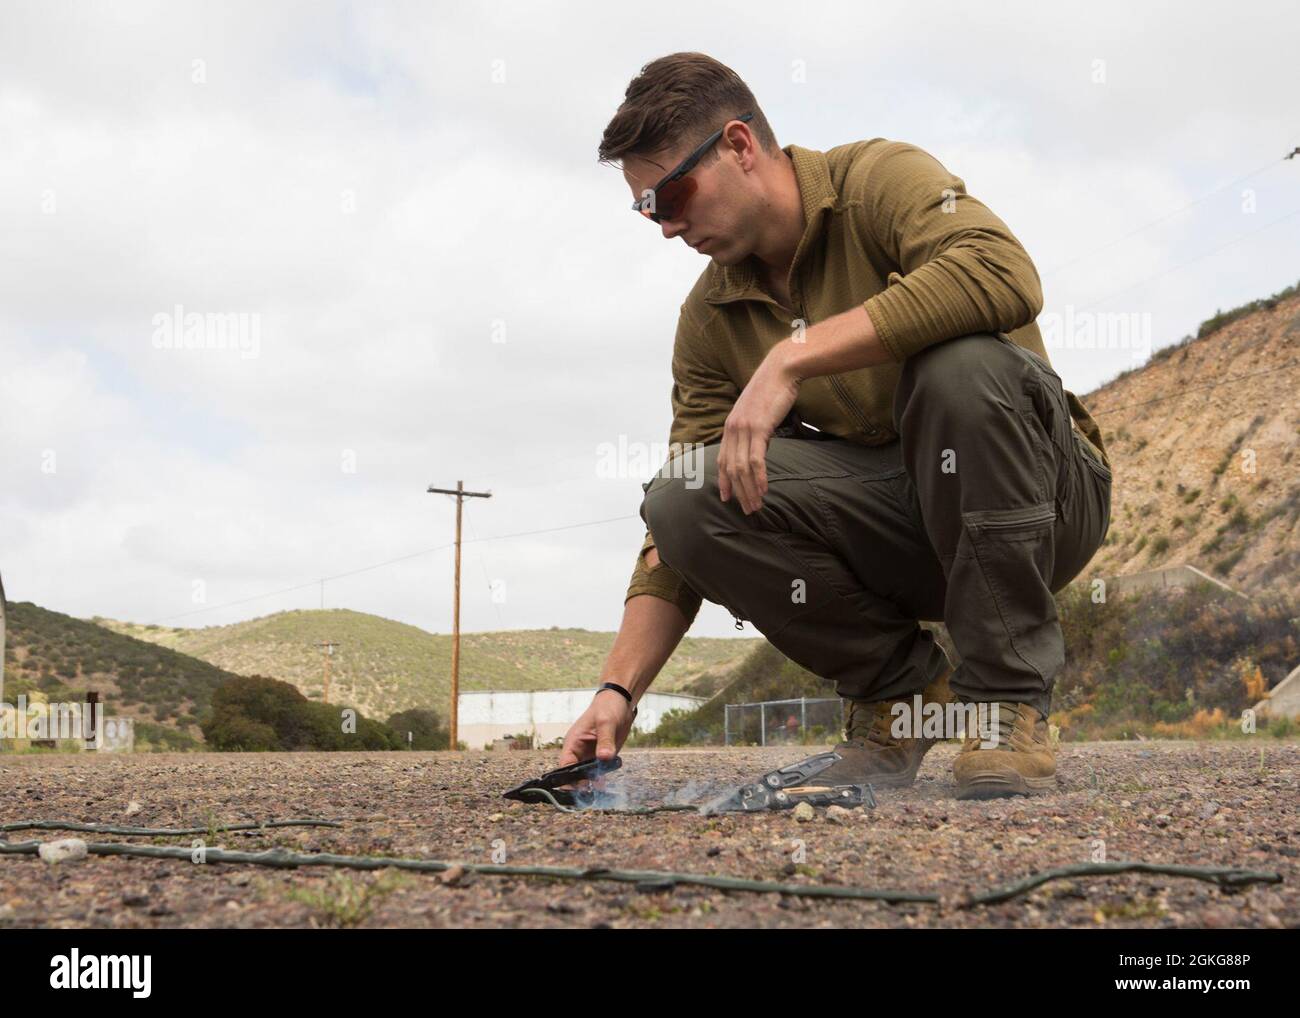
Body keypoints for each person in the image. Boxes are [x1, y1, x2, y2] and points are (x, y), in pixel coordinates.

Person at [558, 52, 1112, 799]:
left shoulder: (880, 179)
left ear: (740, 145)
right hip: (906, 534)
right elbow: (677, 536)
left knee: (959, 368)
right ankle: (902, 699)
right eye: (645, 208)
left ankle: (1007, 704)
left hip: (1043, 502)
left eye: (671, 193)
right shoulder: (708, 318)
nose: (664, 226)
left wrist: (795, 358)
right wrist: (617, 691)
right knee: (684, 490)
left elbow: (1000, 271)